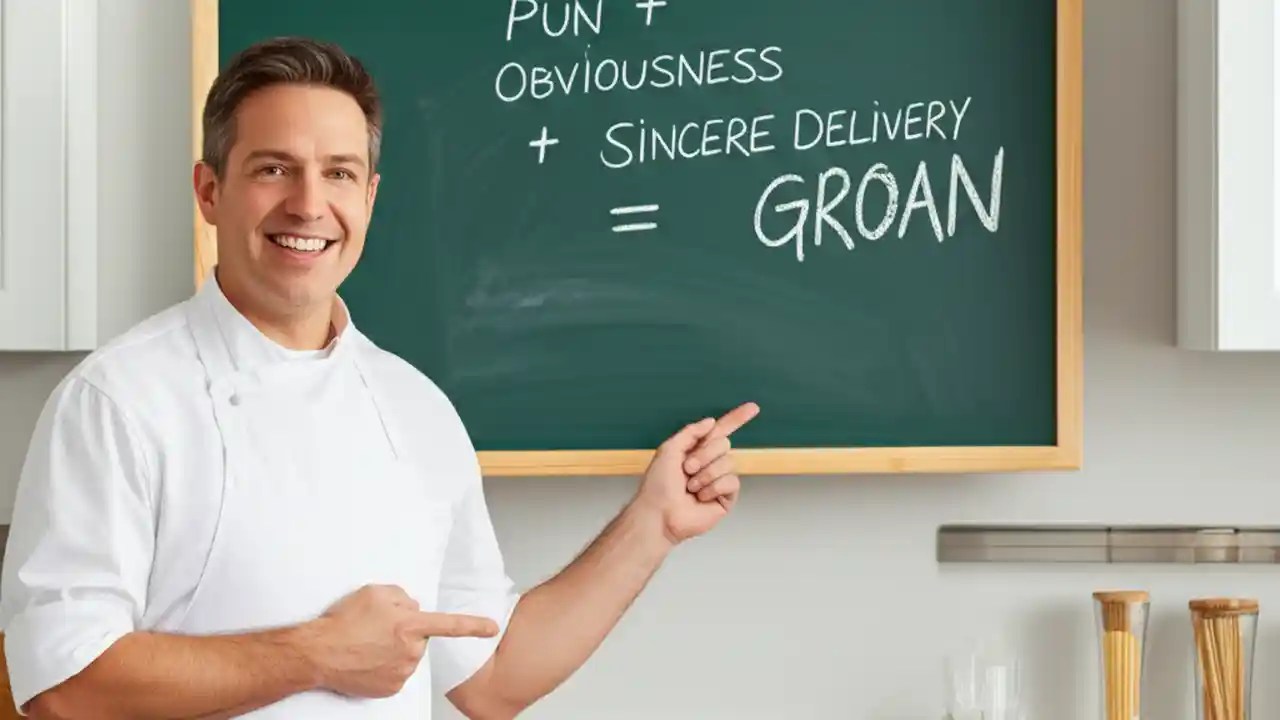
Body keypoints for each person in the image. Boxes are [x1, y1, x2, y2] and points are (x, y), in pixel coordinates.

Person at [0, 36, 758, 719]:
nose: (309, 204)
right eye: (273, 169)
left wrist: (651, 526)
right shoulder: (118, 402)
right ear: (209, 190)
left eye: (339, 173)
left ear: (369, 196)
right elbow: (63, 682)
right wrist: (315, 653)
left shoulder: (415, 410)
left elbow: (491, 678)